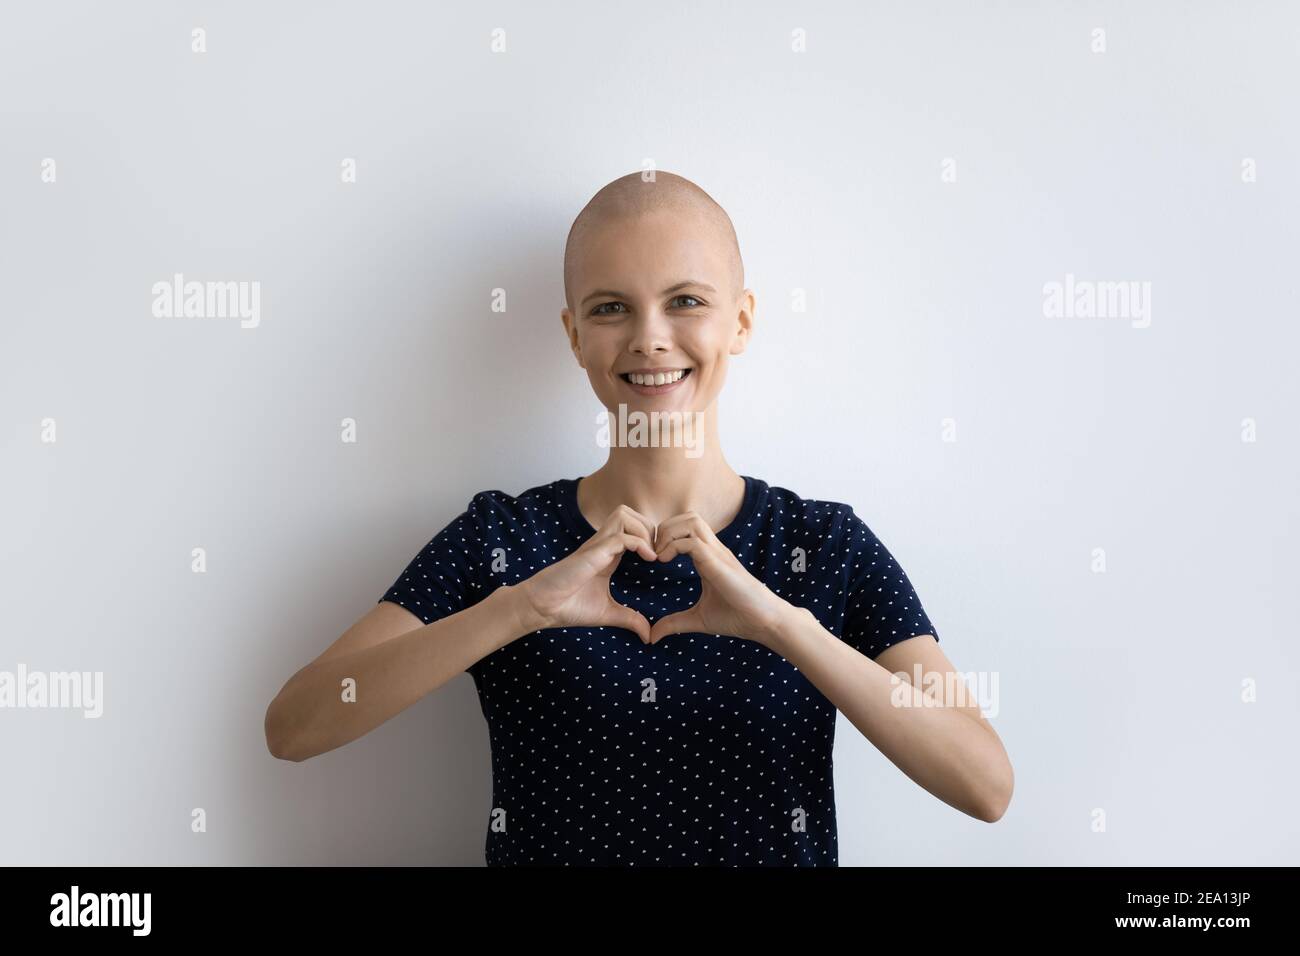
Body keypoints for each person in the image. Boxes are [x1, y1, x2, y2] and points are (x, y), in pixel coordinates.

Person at [264, 170, 1014, 866]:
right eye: (611, 307)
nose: (650, 337)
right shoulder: (501, 541)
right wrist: (519, 610)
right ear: (574, 336)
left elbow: (985, 784)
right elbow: (295, 726)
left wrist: (785, 626)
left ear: (741, 321)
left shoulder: (824, 546)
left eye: (686, 300)